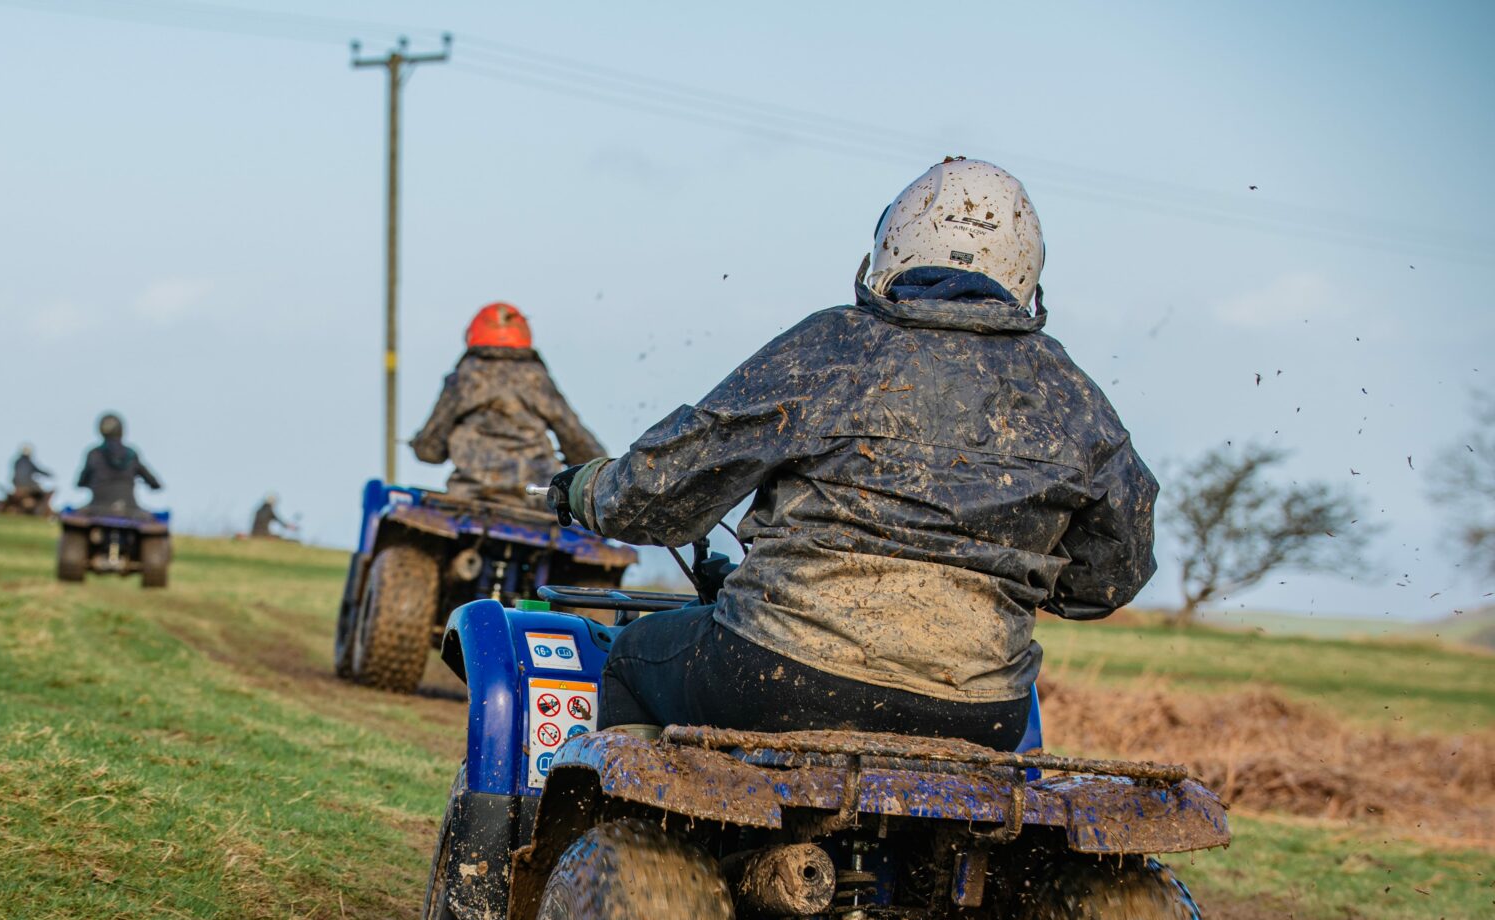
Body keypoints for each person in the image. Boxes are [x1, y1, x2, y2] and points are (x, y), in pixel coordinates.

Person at [548, 159, 1157, 750]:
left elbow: (660, 491)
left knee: (631, 657)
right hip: (981, 712)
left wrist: (587, 489)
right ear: (1027, 270)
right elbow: (1111, 577)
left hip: (778, 672)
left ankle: (638, 823)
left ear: (892, 244)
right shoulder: (1071, 395)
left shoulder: (834, 345)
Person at [410, 303, 606, 505]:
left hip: (470, 499)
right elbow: (581, 446)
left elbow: (429, 450)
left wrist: (418, 443)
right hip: (535, 500)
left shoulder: (464, 379)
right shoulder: (535, 379)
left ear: (472, 335)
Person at [77, 412, 161, 512]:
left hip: (98, 507)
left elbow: (81, 481)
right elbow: (153, 482)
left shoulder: (93, 454)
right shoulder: (132, 454)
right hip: (129, 508)